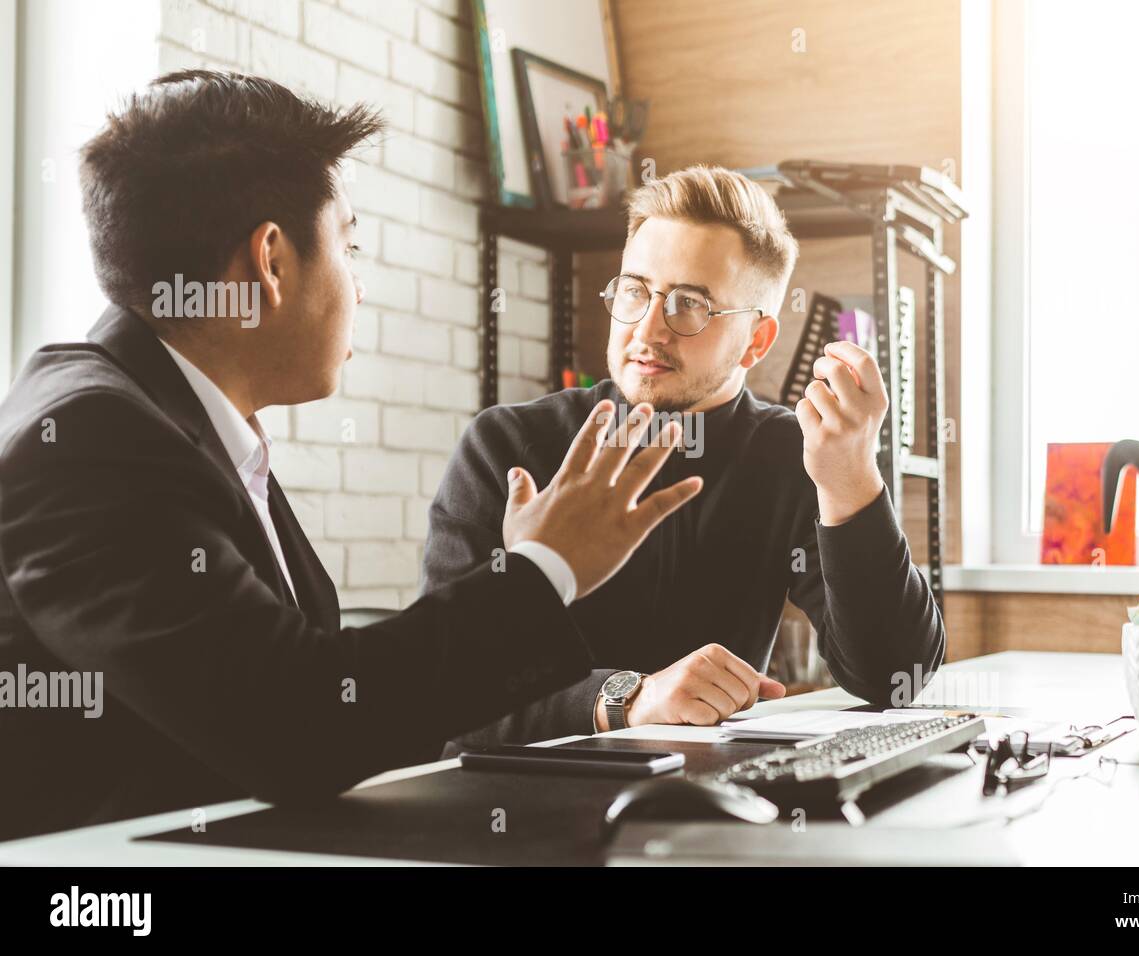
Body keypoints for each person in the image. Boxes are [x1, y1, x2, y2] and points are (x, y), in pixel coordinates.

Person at [0, 71, 700, 840]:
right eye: (350, 244)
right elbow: (295, 727)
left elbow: (298, 690)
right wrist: (544, 568)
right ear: (269, 262)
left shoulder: (173, 418)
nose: (359, 288)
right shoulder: (92, 441)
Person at [422, 165, 945, 751]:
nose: (648, 329)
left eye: (690, 304)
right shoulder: (507, 445)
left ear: (757, 341)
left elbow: (898, 680)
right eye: (634, 290)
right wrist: (624, 700)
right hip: (518, 815)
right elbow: (443, 687)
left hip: (719, 812)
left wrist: (851, 483)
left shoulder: (791, 455)